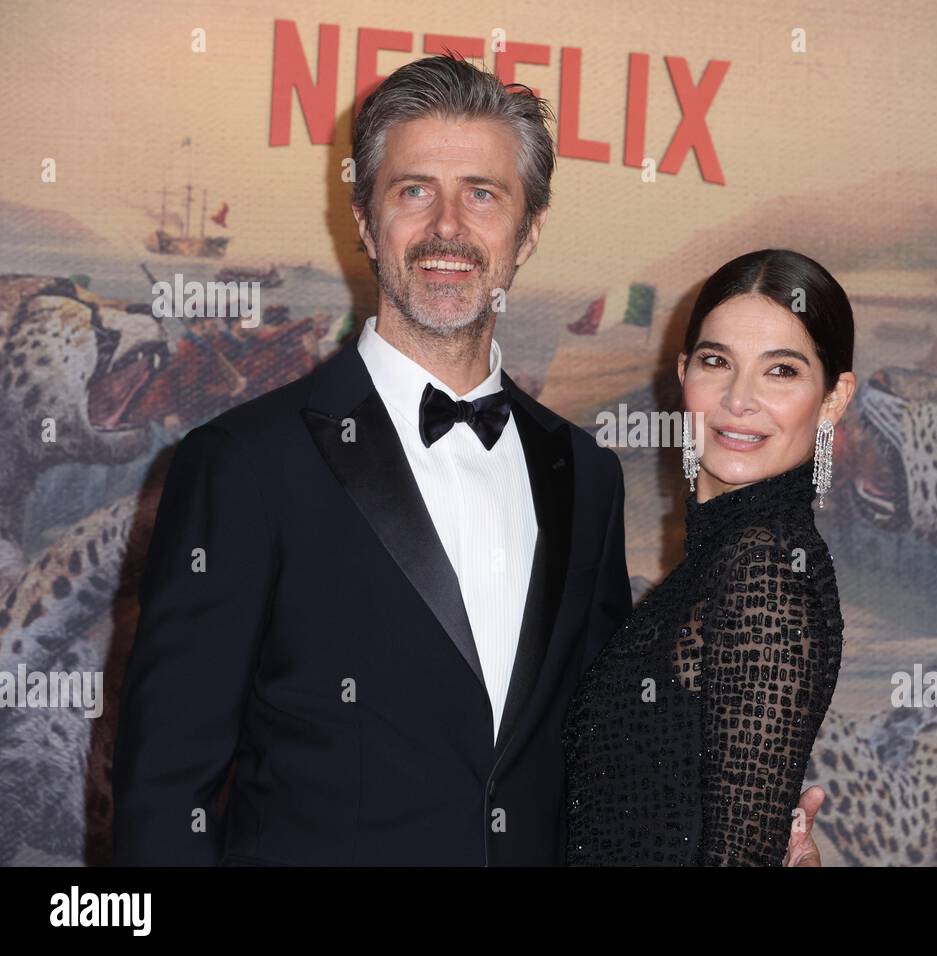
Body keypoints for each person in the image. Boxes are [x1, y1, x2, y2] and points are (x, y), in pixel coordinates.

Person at [112, 55, 828, 866]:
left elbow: (600, 750)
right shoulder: (241, 466)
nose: (447, 227)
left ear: (527, 231)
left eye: (482, 195)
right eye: (414, 190)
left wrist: (748, 833)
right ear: (362, 217)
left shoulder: (583, 475)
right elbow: (166, 794)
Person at [564, 249, 855, 865]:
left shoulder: (766, 568)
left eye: (782, 371)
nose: (739, 399)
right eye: (717, 362)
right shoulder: (715, 563)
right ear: (683, 374)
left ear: (833, 399)